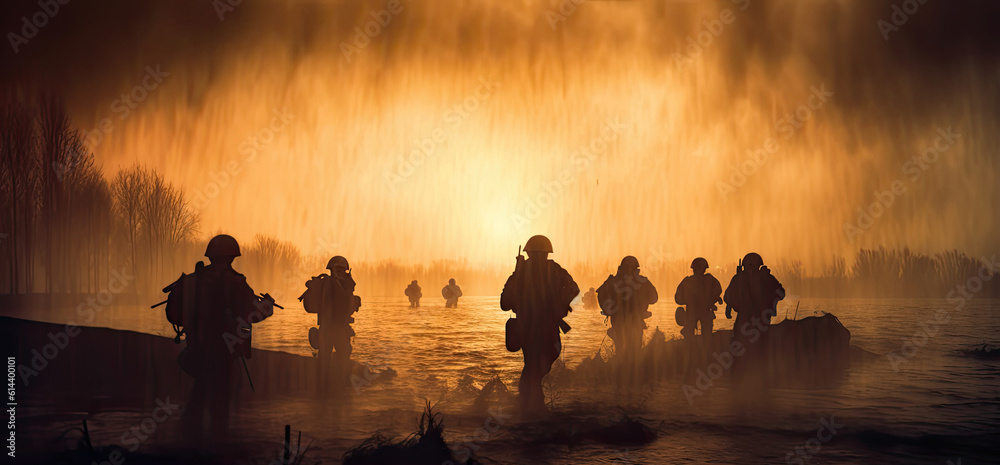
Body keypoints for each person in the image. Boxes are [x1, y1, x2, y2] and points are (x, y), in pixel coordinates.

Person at [177, 234, 274, 439]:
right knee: (221, 393)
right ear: (231, 257)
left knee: (201, 388)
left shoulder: (195, 280)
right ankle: (218, 438)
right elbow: (252, 314)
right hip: (224, 349)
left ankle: (188, 434)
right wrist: (268, 305)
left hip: (197, 345)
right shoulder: (234, 282)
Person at [500, 235, 579, 416]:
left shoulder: (544, 271)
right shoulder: (545, 271)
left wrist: (559, 304)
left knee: (534, 367)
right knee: (535, 368)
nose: (537, 259)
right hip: (534, 327)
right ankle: (532, 406)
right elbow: (505, 303)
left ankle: (529, 404)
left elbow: (504, 304)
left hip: (539, 326)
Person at [723, 252, 785, 386]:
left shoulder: (739, 278)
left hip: (744, 318)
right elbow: (781, 293)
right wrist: (770, 303)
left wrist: (734, 306)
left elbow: (728, 297)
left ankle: (737, 380)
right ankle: (760, 380)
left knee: (738, 348)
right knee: (761, 347)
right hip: (762, 319)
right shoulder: (766, 278)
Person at [597, 256, 658, 357]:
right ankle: (631, 369)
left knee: (621, 350)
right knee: (635, 351)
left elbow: (601, 295)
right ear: (636, 269)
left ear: (621, 268)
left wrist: (607, 310)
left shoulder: (613, 281)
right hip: (635, 320)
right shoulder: (642, 282)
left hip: (619, 321)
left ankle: (621, 368)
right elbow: (654, 299)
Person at [315, 255, 359, 365]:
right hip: (329, 326)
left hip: (340, 326)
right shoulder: (328, 283)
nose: (340, 272)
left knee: (344, 351)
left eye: (342, 270)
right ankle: (327, 376)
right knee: (326, 354)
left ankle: (337, 374)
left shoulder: (345, 284)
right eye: (337, 269)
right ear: (331, 270)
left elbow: (347, 300)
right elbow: (326, 304)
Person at [674, 257, 723, 340]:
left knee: (690, 335)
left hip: (693, 312)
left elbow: (678, 298)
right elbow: (718, 291)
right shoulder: (710, 280)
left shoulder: (687, 281)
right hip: (704, 311)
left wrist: (687, 301)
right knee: (706, 335)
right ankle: (704, 347)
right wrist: (713, 300)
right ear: (704, 269)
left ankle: (689, 343)